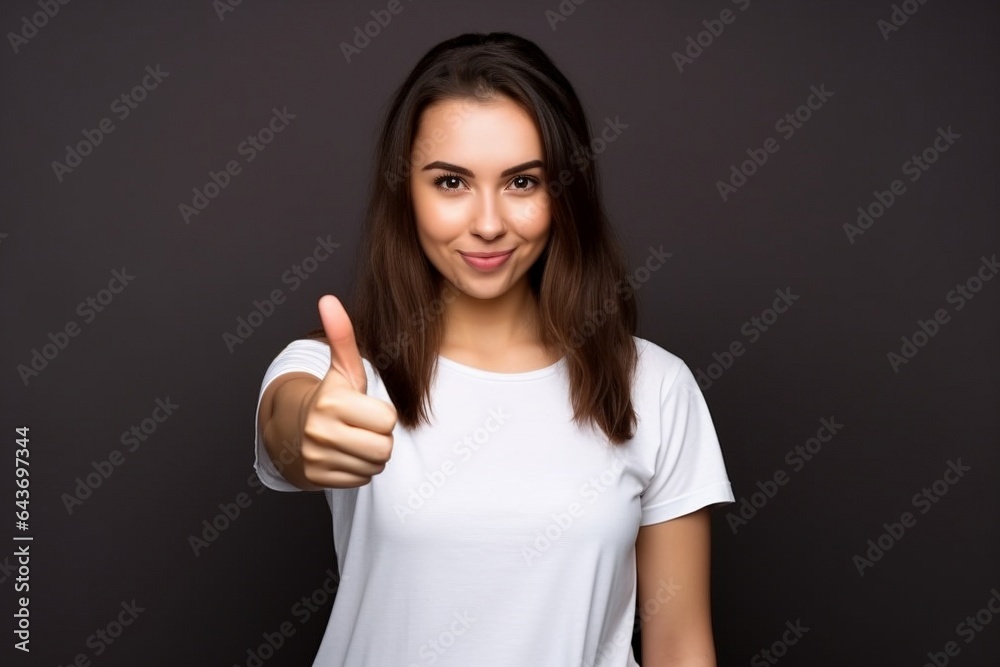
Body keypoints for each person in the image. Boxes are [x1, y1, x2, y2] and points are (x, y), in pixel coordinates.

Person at [254, 31, 735, 667]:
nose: (487, 222)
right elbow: (288, 427)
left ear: (563, 193)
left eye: (522, 182)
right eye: (450, 182)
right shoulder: (338, 371)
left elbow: (679, 646)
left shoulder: (655, 387)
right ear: (407, 193)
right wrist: (307, 428)